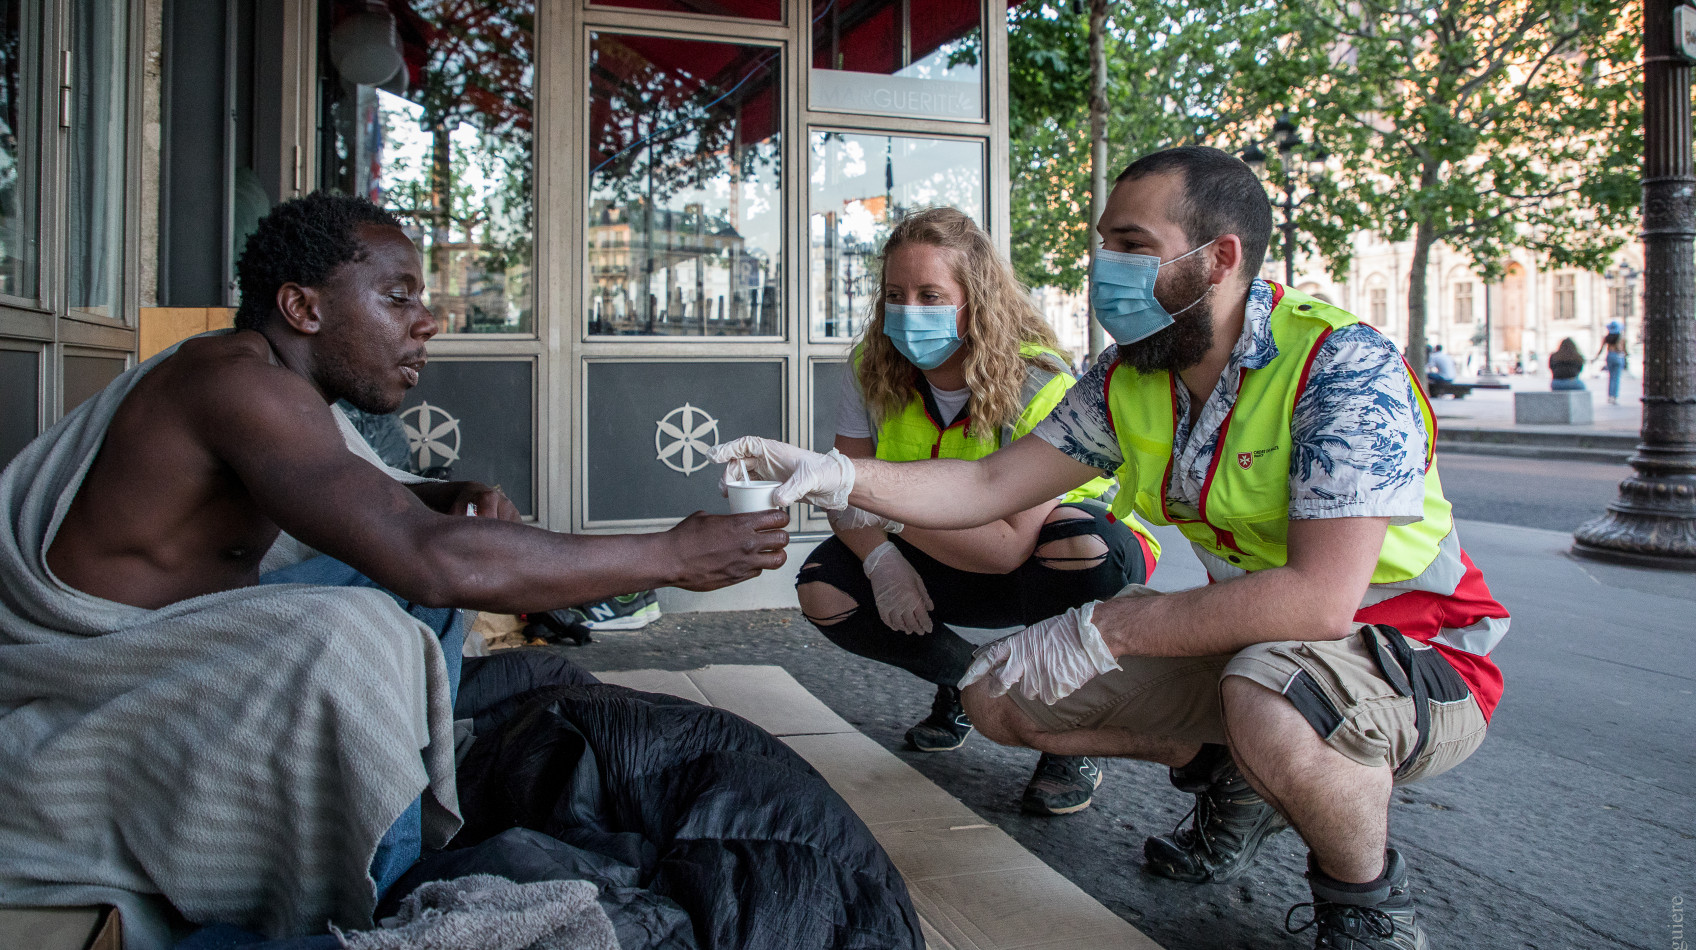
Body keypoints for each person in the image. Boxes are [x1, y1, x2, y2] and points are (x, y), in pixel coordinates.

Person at [714, 146, 1510, 950]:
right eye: (1105, 245)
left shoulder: (1340, 367)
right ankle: (1237, 774)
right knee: (998, 695)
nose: (1106, 269)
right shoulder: (1132, 373)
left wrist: (1105, 628)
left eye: (1133, 246)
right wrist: (833, 473)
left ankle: (1365, 903)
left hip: (1417, 652)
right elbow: (990, 486)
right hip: (1258, 645)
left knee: (1267, 696)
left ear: (1219, 259)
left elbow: (1317, 600)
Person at [0, 192, 789, 944]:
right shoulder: (236, 384)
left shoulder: (275, 386)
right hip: (100, 671)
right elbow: (424, 560)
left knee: (431, 575)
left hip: (186, 632)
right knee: (360, 628)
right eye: (398, 298)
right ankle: (386, 893)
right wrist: (670, 555)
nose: (430, 322)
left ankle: (396, 798)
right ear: (304, 309)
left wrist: (447, 494)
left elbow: (363, 500)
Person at [800, 207, 1158, 815]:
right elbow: (846, 492)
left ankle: (1066, 740)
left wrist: (881, 514)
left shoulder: (1037, 377)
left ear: (976, 300)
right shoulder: (871, 368)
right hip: (944, 550)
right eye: (894, 294)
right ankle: (965, 684)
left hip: (1050, 561)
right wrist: (881, 559)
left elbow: (1004, 545)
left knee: (1076, 540)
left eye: (930, 294)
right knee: (824, 588)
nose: (908, 309)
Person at [1593, 320, 1629, 404]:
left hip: (1609, 356)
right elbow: (1624, 350)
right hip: (1618, 356)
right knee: (1616, 378)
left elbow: (1601, 349)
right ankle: (1614, 397)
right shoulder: (1621, 338)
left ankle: (1609, 396)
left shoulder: (1607, 337)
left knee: (1611, 377)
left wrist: (1596, 358)